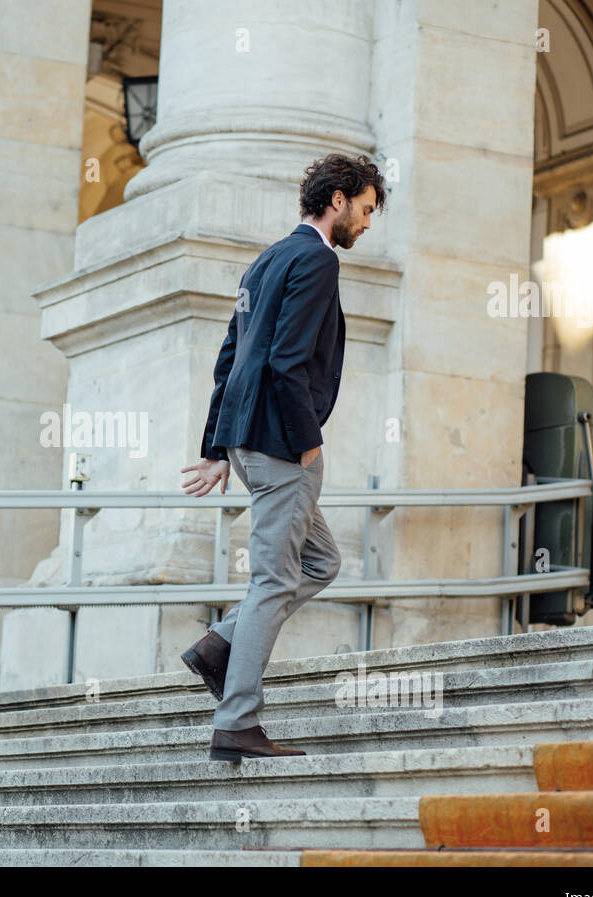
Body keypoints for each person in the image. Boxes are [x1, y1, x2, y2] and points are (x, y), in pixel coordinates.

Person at [179, 154, 385, 761]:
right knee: (273, 580)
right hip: (281, 445)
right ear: (340, 198)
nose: (368, 224)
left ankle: (221, 644)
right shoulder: (318, 259)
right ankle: (236, 723)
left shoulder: (266, 258)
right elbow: (285, 362)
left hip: (247, 441)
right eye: (368, 210)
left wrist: (218, 447)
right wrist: (307, 440)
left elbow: (229, 357)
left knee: (320, 562)